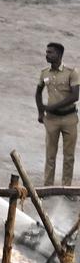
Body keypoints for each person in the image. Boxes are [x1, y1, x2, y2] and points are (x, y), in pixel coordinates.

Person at [37, 41, 79, 186]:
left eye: (50, 52)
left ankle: (66, 187)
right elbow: (38, 92)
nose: (47, 55)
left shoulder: (71, 72)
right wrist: (41, 112)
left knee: (69, 156)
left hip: (69, 118)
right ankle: (47, 187)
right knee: (50, 155)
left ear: (59, 55)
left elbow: (75, 96)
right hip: (52, 120)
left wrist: (52, 106)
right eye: (46, 52)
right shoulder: (44, 73)